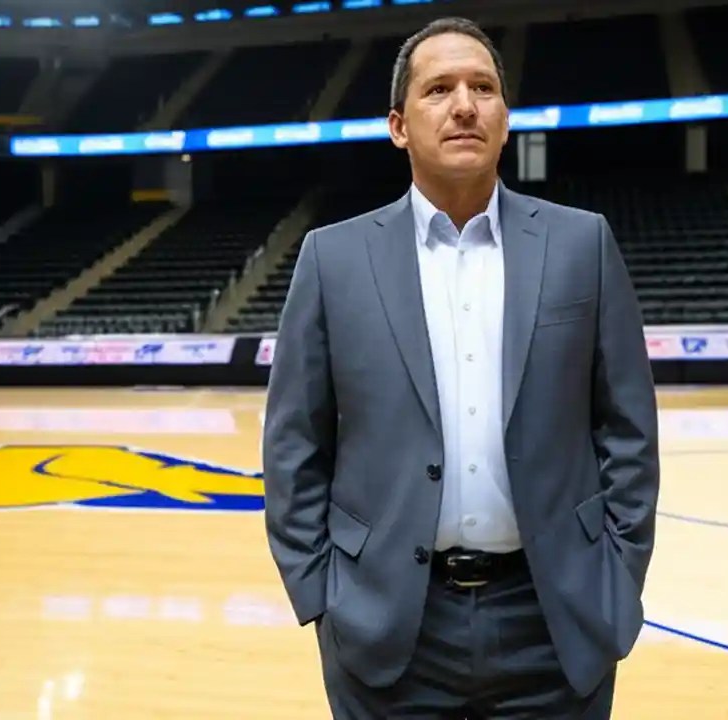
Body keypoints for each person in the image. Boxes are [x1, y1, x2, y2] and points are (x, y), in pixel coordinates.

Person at [262, 17, 660, 719]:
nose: (465, 104)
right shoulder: (333, 259)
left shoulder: (581, 244)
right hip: (386, 626)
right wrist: (322, 595)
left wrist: (616, 576)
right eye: (438, 88)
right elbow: (294, 443)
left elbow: (628, 430)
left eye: (483, 88)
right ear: (398, 126)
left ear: (506, 121)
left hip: (556, 617)